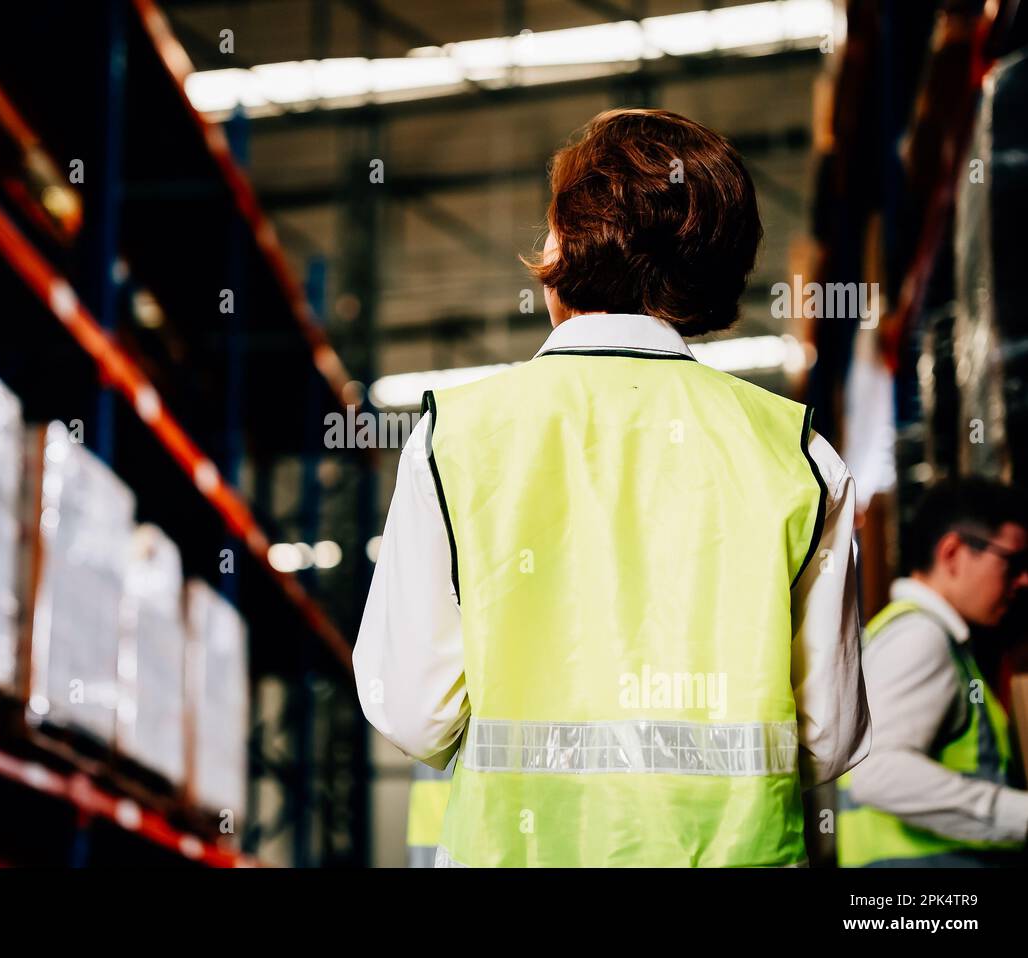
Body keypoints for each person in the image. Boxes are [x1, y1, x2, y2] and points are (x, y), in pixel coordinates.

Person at [354, 108, 870, 867]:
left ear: (564, 244)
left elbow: (416, 712)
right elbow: (828, 737)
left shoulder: (456, 436)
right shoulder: (799, 454)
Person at [837, 478, 1028, 867]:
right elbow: (879, 774)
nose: (1023, 580)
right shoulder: (920, 636)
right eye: (1011, 562)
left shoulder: (914, 633)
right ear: (953, 553)